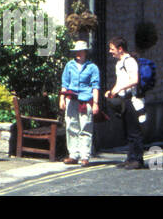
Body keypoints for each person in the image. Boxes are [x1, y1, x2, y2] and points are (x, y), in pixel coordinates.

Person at [105, 36, 146, 169]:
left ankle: (138, 159)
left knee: (135, 131)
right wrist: (112, 92)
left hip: (132, 101)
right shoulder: (119, 63)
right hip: (123, 100)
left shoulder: (130, 61)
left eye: (112, 49)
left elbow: (135, 80)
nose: (110, 51)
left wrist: (120, 88)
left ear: (120, 49)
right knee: (128, 131)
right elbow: (120, 82)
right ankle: (130, 158)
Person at [59, 40, 100, 166]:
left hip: (85, 100)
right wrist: (61, 99)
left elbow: (95, 86)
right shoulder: (69, 66)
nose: (78, 54)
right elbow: (65, 84)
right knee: (71, 126)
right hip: (71, 99)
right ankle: (73, 155)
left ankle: (85, 156)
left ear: (85, 52)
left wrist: (95, 103)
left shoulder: (92, 67)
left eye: (81, 51)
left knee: (85, 127)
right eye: (77, 51)